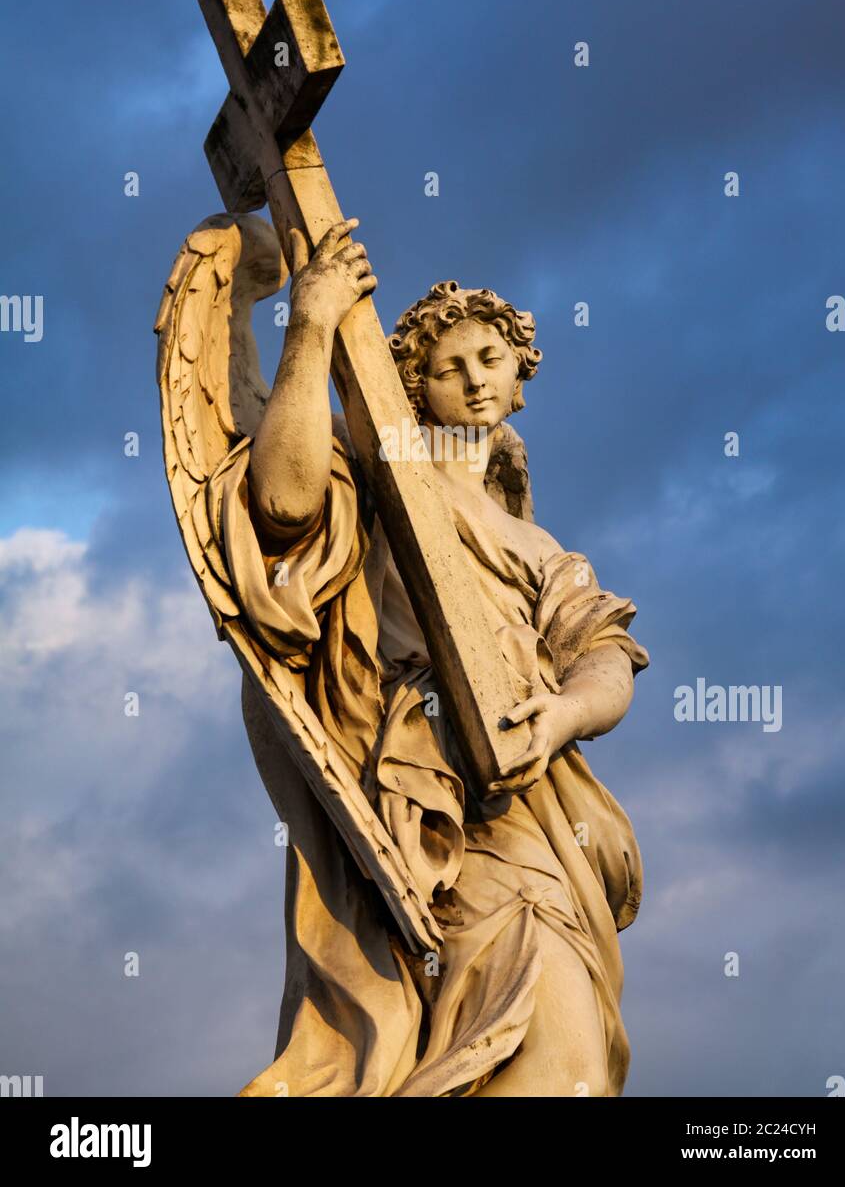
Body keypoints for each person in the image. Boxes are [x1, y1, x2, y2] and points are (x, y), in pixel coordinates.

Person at [213, 219, 649, 1097]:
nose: (473, 378)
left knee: (575, 1068)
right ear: (414, 385)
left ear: (521, 373)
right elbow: (283, 500)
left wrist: (561, 714)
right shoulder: (378, 477)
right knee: (535, 1046)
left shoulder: (537, 546)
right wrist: (311, 325)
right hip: (418, 797)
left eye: (490, 356)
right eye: (448, 367)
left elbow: (602, 657)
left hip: (533, 816)